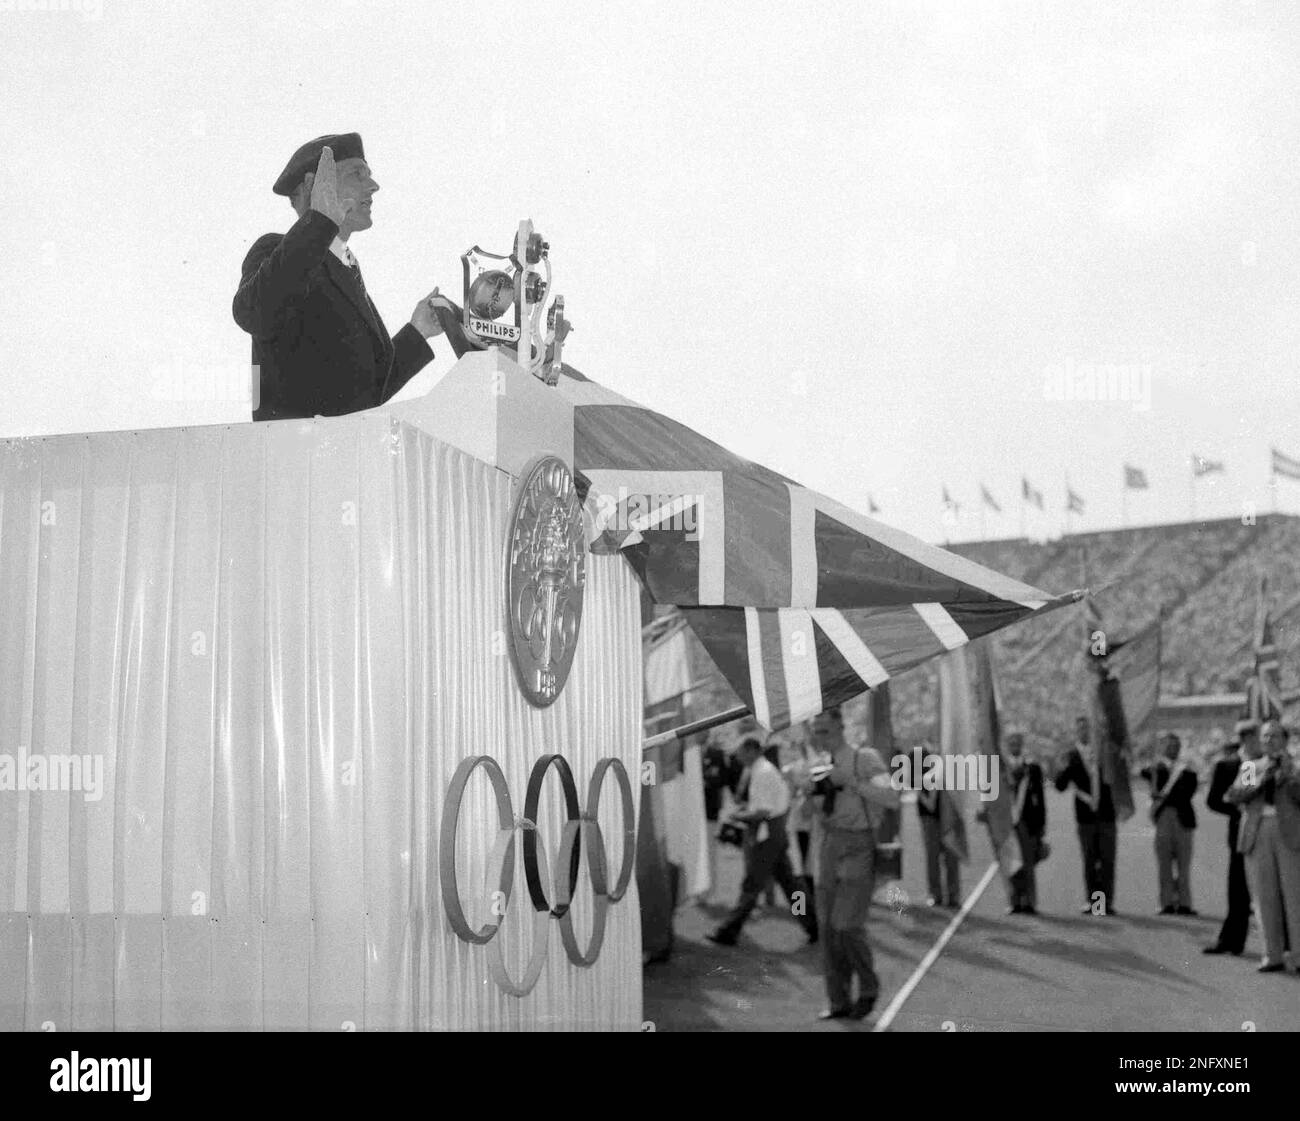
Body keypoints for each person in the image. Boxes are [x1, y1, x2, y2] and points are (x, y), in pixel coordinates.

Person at [234, 133, 453, 422]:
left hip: (347, 452)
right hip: (297, 455)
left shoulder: (345, 266)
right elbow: (254, 313)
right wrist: (319, 222)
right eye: (356, 173)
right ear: (314, 185)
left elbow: (368, 390)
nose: (373, 186)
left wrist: (418, 330)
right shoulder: (275, 249)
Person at [808, 706, 900, 1022]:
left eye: (825, 729)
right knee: (828, 930)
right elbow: (816, 813)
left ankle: (869, 987)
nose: (820, 736)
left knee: (846, 924)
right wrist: (808, 795)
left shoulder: (865, 757)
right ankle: (838, 1002)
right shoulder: (818, 764)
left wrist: (853, 783)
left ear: (840, 727)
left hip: (859, 844)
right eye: (816, 730)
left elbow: (891, 796)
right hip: (829, 843)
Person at [706, 738, 818, 947]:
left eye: (739, 752)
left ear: (751, 750)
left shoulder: (763, 772)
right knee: (790, 885)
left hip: (767, 834)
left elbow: (763, 811)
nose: (736, 757)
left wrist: (738, 817)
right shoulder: (762, 770)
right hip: (772, 832)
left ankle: (729, 930)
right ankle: (813, 926)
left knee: (752, 884)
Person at [1224, 719, 1300, 973]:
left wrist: (1289, 778)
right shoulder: (1251, 766)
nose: (1269, 741)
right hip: (1257, 831)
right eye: (1266, 736)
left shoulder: (1295, 765)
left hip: (1288, 831)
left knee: (1294, 896)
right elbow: (1233, 796)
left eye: (1275, 736)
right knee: (1263, 896)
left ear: (1285, 740)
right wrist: (1257, 784)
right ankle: (1272, 955)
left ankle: (1298, 956)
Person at [1055, 715, 1120, 916]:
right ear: (1077, 732)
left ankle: (1105, 903)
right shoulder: (1071, 756)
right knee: (1090, 861)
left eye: (1088, 729)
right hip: (1086, 817)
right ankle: (1094, 903)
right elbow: (1060, 786)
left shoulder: (1105, 753)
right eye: (1081, 729)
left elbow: (1117, 778)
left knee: (1107, 860)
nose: (1085, 732)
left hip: (1107, 815)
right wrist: (1064, 768)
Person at [1203, 731, 1252, 955]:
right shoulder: (1227, 765)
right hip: (1241, 833)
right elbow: (1213, 800)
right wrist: (1238, 811)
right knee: (1239, 890)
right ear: (1245, 739)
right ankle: (1232, 940)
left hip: (1268, 834)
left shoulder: (1264, 763)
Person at [1141, 732, 1198, 915]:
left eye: (1176, 746)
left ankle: (1184, 903)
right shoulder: (1156, 769)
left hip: (1183, 819)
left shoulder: (1187, 770)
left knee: (1183, 865)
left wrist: (1162, 793)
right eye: (1169, 745)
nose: (1172, 749)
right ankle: (1166, 902)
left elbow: (1188, 791)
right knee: (1164, 863)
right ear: (1163, 747)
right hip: (1163, 818)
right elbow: (1143, 773)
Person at [1004, 731, 1046, 915]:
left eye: (1017, 742)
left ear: (1021, 745)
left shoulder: (1033, 768)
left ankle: (1029, 902)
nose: (1014, 745)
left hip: (1027, 822)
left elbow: (1040, 798)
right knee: (1012, 864)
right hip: (1007, 824)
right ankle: (1014, 902)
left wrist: (1042, 824)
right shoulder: (1001, 769)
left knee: (1027, 863)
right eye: (1011, 742)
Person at [916, 743, 961, 908]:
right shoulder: (921, 777)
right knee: (932, 858)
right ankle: (935, 895)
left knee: (951, 858)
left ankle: (953, 895)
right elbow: (928, 805)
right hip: (929, 821)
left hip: (947, 820)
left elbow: (935, 803)